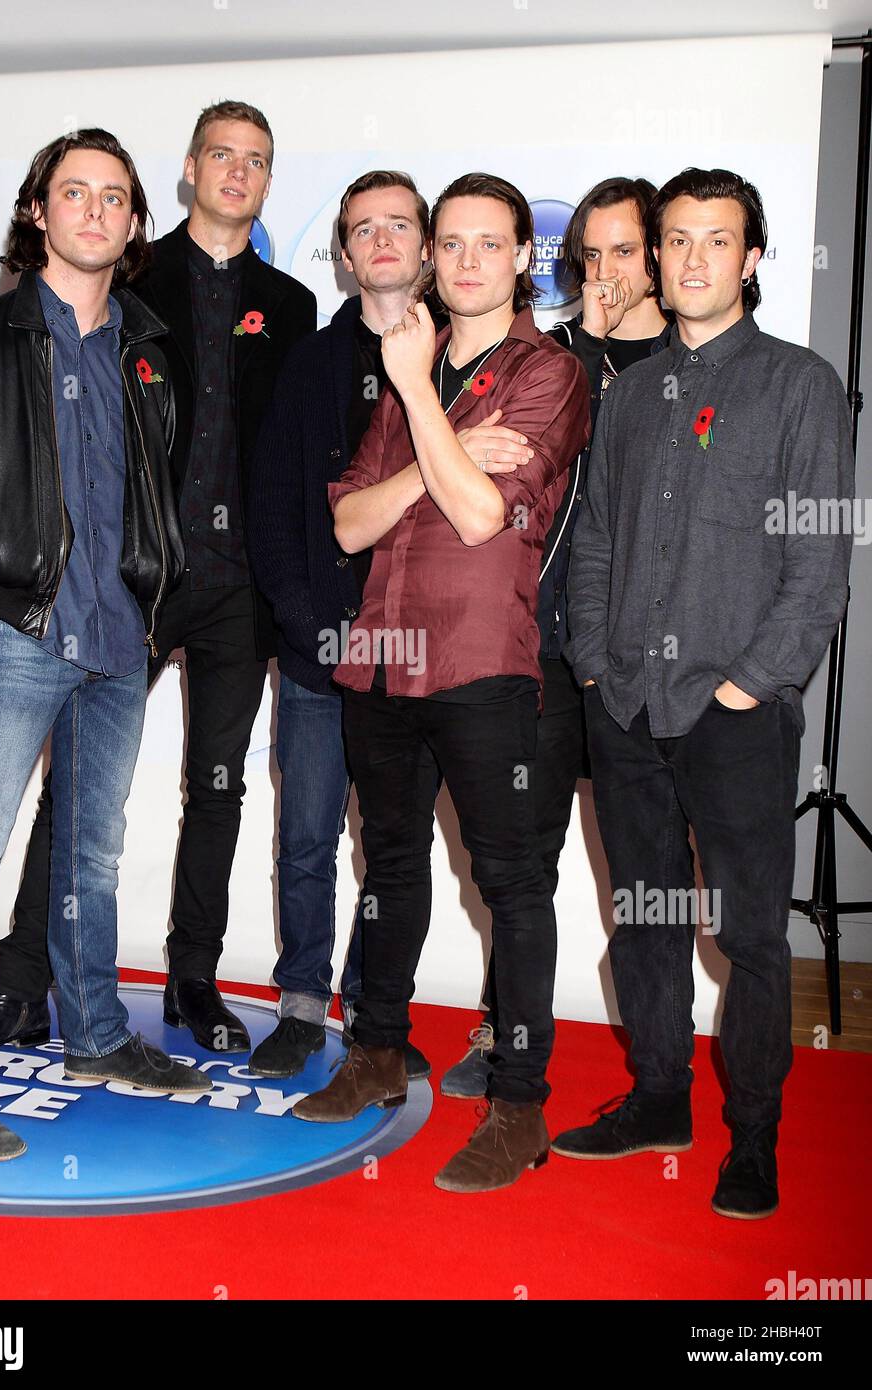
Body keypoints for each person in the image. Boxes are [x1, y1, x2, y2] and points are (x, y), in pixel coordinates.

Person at [0, 129, 210, 1161]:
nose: (96, 210)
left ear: (136, 223)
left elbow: (147, 497)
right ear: (38, 211)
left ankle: (97, 1036)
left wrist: (161, 586)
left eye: (116, 197)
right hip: (17, 634)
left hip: (120, 642)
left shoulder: (147, 350)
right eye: (76, 192)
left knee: (91, 859)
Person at [0, 100, 317, 1063]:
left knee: (218, 787)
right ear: (190, 171)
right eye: (221, 156)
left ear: (268, 183)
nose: (237, 173)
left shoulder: (291, 306)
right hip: (132, 577)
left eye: (256, 161)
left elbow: (288, 454)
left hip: (241, 588)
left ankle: (193, 982)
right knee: (75, 790)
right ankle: (23, 982)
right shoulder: (128, 276)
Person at [556, 168, 854, 1219]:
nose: (689, 261)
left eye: (714, 241)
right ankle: (656, 1098)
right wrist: (593, 660)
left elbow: (819, 563)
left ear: (752, 258)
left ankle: (755, 1139)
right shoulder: (628, 393)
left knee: (750, 936)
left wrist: (749, 684)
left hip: (735, 717)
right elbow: (592, 540)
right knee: (642, 917)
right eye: (672, 240)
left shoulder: (801, 385)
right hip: (627, 705)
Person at [291, 173, 590, 1195]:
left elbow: (478, 519)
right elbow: (348, 522)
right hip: (381, 656)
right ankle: (377, 1049)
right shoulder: (400, 371)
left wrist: (421, 397)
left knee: (510, 887)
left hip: (480, 666)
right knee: (389, 871)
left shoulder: (547, 374)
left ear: (520, 260)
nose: (463, 261)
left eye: (486, 244)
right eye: (449, 243)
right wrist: (443, 446)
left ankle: (517, 1101)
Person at [248, 170, 531, 1079]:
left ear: (426, 250)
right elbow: (292, 512)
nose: (382, 240)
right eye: (361, 227)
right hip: (318, 647)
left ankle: (382, 1022)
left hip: (429, 660)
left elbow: (485, 515)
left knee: (394, 855)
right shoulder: (313, 363)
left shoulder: (478, 368)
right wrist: (303, 625)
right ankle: (300, 1006)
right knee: (309, 838)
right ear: (342, 253)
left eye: (401, 225)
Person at [442, 176, 669, 1097]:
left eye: (626, 250)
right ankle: (502, 1034)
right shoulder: (547, 357)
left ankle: (658, 1077)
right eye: (592, 254)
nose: (607, 270)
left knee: (644, 870)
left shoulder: (686, 363)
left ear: (658, 253)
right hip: (537, 645)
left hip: (637, 660)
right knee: (519, 855)